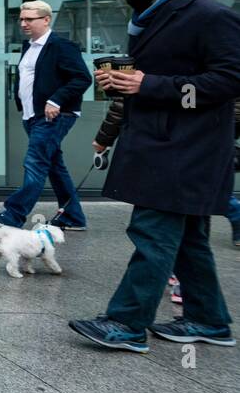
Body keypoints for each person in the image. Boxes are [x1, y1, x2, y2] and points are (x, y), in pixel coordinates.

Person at [70, 0, 240, 352]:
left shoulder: (211, 17)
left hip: (185, 149)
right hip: (167, 144)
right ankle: (208, 320)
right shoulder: (157, 17)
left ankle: (127, 324)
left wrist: (150, 85)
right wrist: (131, 84)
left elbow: (230, 81)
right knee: (189, 240)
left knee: (153, 233)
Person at [93, 96, 240, 305]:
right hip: (182, 141)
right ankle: (207, 318)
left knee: (161, 230)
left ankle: (127, 318)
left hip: (186, 144)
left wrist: (221, 131)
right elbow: (124, 99)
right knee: (189, 233)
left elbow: (215, 86)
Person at [0, 0, 92, 231]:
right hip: (32, 116)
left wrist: (56, 99)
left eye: (29, 19)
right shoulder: (29, 46)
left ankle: (14, 214)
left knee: (35, 162)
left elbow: (82, 78)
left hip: (55, 115)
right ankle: (73, 216)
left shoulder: (62, 46)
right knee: (54, 165)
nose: (23, 23)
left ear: (46, 19)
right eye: (21, 19)